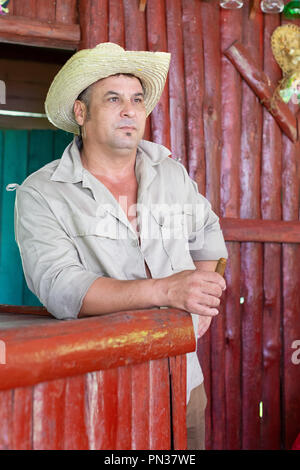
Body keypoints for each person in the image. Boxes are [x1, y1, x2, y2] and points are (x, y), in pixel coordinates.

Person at [14, 42, 228, 450]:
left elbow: (210, 240)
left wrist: (204, 300)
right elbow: (61, 288)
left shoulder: (172, 174)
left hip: (184, 378)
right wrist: (167, 290)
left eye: (136, 100)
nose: (130, 111)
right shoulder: (42, 193)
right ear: (81, 113)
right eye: (113, 99)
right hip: (99, 387)